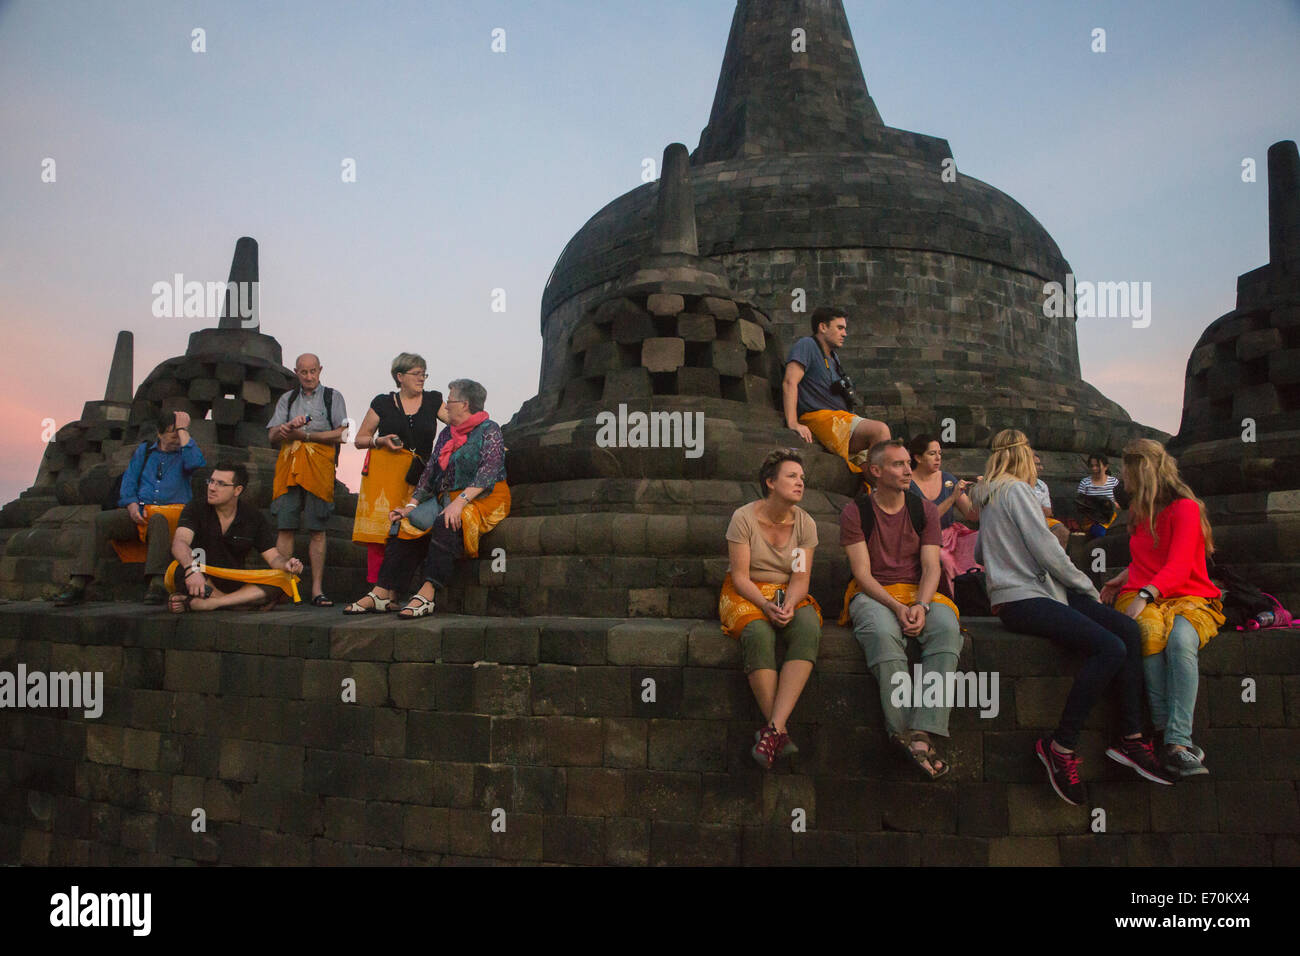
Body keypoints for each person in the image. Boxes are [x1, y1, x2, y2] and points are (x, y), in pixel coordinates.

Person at [971, 429, 1170, 806]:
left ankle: (1130, 739)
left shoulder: (991, 495)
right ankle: (1060, 746)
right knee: (1110, 647)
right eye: (1033, 453)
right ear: (1022, 455)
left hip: (1036, 594)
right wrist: (1087, 586)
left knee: (1127, 629)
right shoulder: (1015, 491)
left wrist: (1009, 556)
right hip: (1024, 599)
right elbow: (1048, 552)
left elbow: (981, 552)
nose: (1037, 461)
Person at [1100, 439, 1225, 779]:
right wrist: (1122, 578)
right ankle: (1163, 732)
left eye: (1125, 471)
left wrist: (1145, 594)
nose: (1121, 479)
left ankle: (1178, 741)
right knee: (1149, 633)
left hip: (1187, 594)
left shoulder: (1185, 508)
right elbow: (1149, 558)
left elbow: (1180, 564)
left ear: (1140, 471)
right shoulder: (1141, 509)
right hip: (1148, 590)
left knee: (1181, 643)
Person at [839, 439, 961, 779]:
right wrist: (895, 606)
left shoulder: (923, 509)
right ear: (876, 471)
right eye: (898, 464)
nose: (908, 470)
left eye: (909, 463)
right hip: (875, 592)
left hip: (920, 590)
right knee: (881, 633)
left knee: (947, 630)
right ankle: (902, 732)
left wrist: (921, 605)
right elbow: (862, 574)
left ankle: (924, 731)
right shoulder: (857, 512)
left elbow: (932, 566)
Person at [350, 379, 510, 617]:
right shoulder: (447, 434)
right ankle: (383, 591)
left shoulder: (490, 429)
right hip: (447, 496)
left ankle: (427, 593)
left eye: (451, 399)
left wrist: (460, 502)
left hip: (484, 497)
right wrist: (411, 506)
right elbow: (431, 472)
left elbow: (488, 471)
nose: (446, 404)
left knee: (446, 520)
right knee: (404, 522)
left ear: (465, 404)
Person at [719, 449, 822, 769]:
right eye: (791, 476)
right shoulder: (744, 518)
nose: (799, 483)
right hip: (746, 591)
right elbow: (740, 576)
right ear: (770, 482)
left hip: (786, 592)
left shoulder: (804, 523)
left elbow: (800, 577)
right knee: (758, 632)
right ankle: (781, 732)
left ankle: (773, 730)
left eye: (802, 478)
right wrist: (765, 605)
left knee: (807, 627)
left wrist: (788, 604)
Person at [54, 410, 206, 606]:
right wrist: (132, 505)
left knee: (158, 518)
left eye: (180, 433)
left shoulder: (185, 454)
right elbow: (129, 482)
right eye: (172, 433)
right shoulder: (144, 452)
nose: (177, 438)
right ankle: (78, 582)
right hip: (140, 512)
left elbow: (196, 463)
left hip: (171, 514)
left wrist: (183, 429)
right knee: (100, 521)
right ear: (159, 434)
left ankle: (157, 582)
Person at [345, 354, 448, 612]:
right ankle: (379, 592)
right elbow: (359, 439)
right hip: (385, 474)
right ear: (400, 377)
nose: (422, 379)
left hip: (420, 475)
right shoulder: (382, 402)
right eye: (416, 374)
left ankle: (397, 592)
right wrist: (380, 441)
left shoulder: (434, 399)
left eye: (424, 374)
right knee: (381, 530)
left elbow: (458, 421)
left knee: (410, 527)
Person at [266, 353, 348, 606]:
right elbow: (271, 436)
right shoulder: (287, 399)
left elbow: (343, 433)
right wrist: (287, 428)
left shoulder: (332, 397)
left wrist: (307, 437)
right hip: (289, 467)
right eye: (304, 372)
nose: (309, 376)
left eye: (313, 371)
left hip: (319, 468)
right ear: (296, 372)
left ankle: (316, 590)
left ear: (320, 370)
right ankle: (281, 586)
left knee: (318, 529)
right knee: (285, 526)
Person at [167, 462, 303, 612]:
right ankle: (239, 604)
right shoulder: (195, 508)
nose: (211, 488)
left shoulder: (253, 517)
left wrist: (287, 564)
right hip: (199, 576)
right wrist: (191, 570)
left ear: (237, 490)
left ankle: (213, 603)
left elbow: (273, 557)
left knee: (284, 578)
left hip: (233, 580)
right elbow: (180, 543)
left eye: (220, 484)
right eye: (211, 481)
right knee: (179, 570)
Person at [783, 306, 890, 476]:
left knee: (880, 468)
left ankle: (882, 497)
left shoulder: (834, 358)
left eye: (845, 328)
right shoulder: (807, 345)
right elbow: (790, 382)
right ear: (823, 327)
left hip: (842, 420)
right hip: (821, 418)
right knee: (880, 431)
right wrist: (793, 422)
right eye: (840, 328)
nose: (845, 333)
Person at [906, 434, 979, 590]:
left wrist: (985, 494)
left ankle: (977, 595)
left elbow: (971, 515)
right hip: (927, 540)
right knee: (944, 559)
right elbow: (926, 520)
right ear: (918, 458)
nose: (938, 458)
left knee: (981, 543)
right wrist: (952, 498)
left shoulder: (947, 478)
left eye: (939, 453)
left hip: (953, 535)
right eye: (932, 454)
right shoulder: (908, 484)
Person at [1032, 452, 1071, 549]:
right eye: (1037, 464)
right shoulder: (1016, 483)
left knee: (1062, 531)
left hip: (1042, 519)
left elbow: (1048, 511)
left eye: (1040, 464)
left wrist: (1033, 507)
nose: (1041, 468)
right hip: (1023, 520)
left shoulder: (1042, 485)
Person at [1076, 451, 1120, 536]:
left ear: (1106, 467)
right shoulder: (1085, 483)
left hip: (1111, 518)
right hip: (1092, 520)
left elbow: (1120, 503)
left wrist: (1111, 505)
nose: (1094, 469)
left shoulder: (1114, 482)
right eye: (1092, 466)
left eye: (1097, 466)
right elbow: (1079, 504)